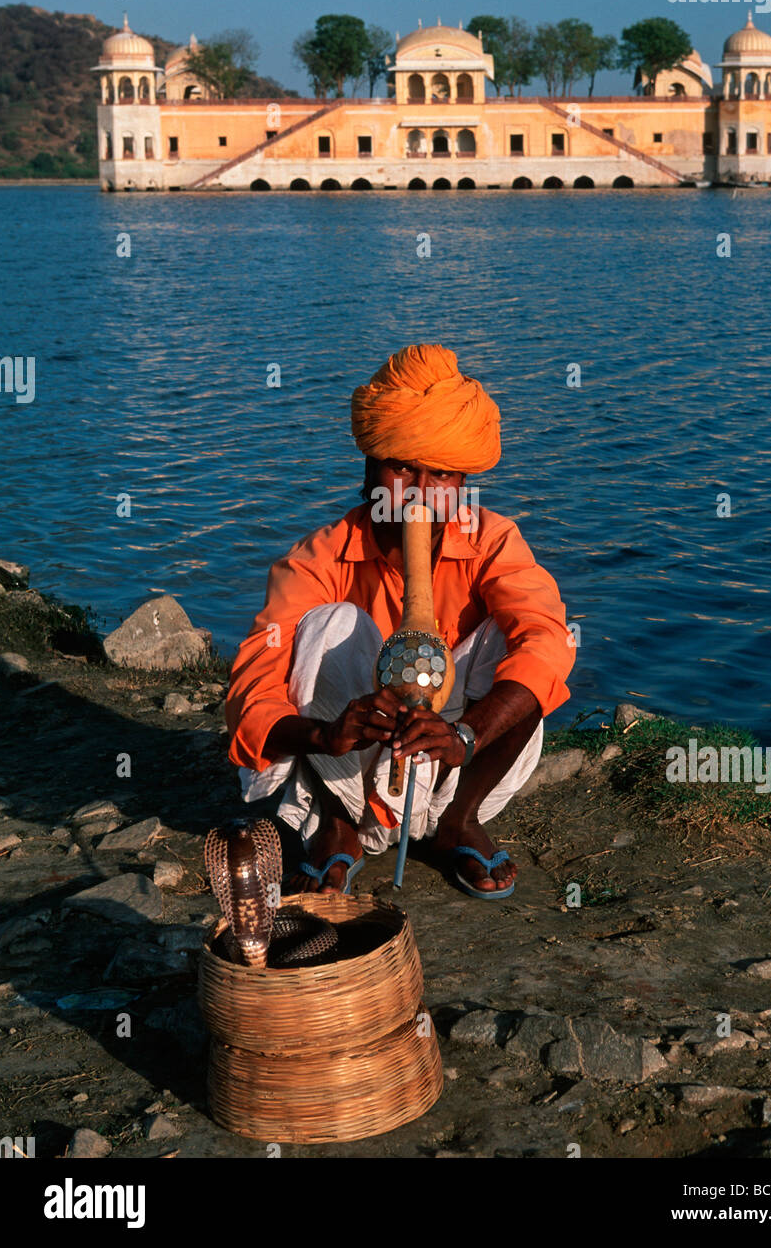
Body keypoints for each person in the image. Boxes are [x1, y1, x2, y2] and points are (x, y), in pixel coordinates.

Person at [225, 343, 575, 897]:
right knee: (331, 625)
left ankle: (457, 820)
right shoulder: (319, 556)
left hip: (452, 753)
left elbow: (547, 644)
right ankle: (337, 827)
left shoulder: (492, 540)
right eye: (401, 467)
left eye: (440, 473)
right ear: (371, 466)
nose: (418, 491)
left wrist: (466, 733)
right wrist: (324, 733)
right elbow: (251, 687)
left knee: (525, 650)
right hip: (350, 759)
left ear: (461, 484)